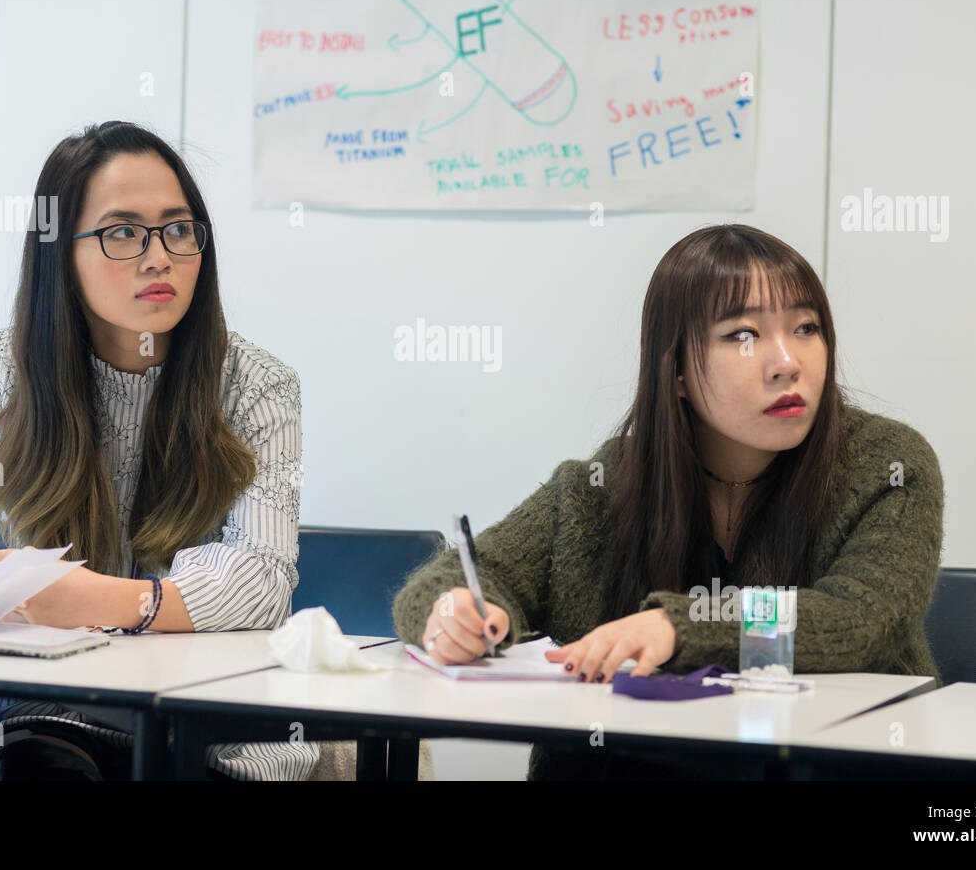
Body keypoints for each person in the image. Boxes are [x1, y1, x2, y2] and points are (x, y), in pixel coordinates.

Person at [392, 223, 945, 780]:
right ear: (677, 368)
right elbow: (453, 583)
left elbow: (862, 617)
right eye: (743, 335)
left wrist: (679, 627)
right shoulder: (608, 482)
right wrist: (455, 615)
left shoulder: (887, 465)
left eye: (806, 327)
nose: (786, 362)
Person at [0, 120, 319, 781]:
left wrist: (97, 600)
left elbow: (261, 580)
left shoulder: (258, 385)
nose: (160, 257)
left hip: (207, 734)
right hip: (29, 726)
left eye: (179, 229)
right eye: (123, 232)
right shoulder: (0, 373)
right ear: (60, 252)